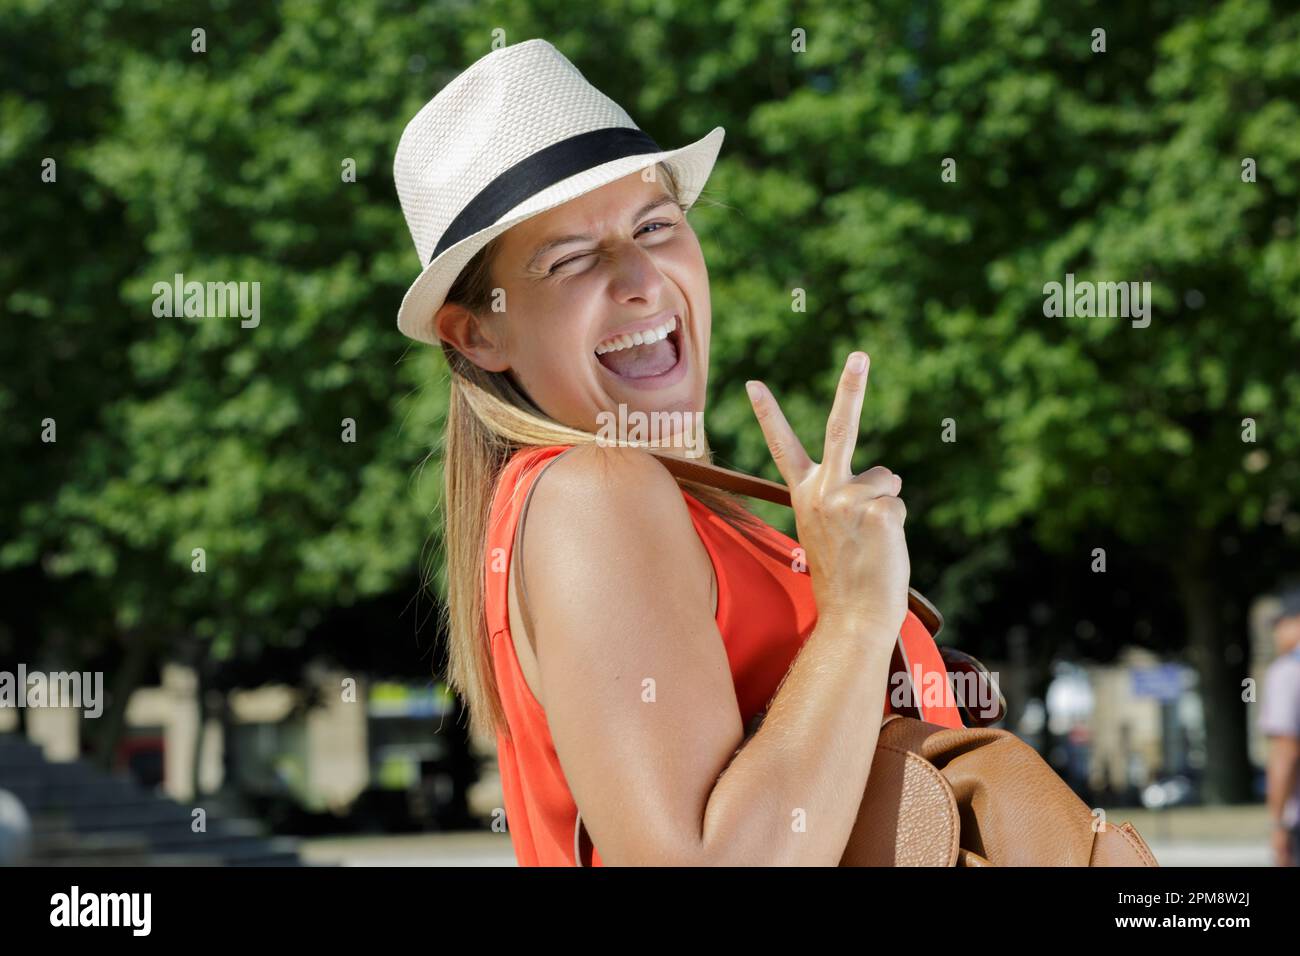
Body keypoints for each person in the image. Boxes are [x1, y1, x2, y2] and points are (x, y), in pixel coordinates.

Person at [391, 38, 962, 867]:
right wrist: (855, 616)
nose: (641, 278)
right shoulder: (597, 495)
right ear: (477, 333)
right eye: (571, 259)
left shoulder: (625, 499)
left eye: (656, 225)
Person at [1260, 585, 1300, 866]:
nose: (1276, 634)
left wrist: (1278, 825)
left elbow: (1286, 752)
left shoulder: (1287, 672)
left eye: (1281, 624)